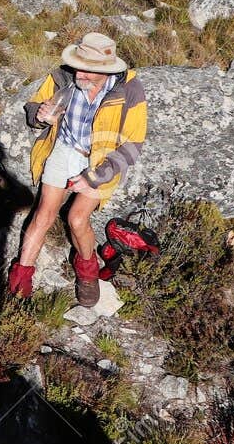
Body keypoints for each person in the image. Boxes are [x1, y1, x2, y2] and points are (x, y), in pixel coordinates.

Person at [9, 32, 148, 308]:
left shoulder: (130, 90)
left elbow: (133, 144)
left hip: (101, 160)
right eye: (77, 65)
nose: (78, 73)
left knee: (76, 219)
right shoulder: (63, 77)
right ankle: (20, 281)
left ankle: (87, 271)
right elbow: (34, 106)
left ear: (104, 70)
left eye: (87, 69)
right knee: (43, 215)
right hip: (65, 149)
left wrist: (95, 177)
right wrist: (39, 115)